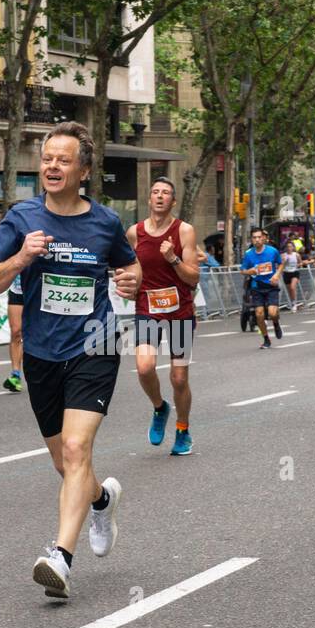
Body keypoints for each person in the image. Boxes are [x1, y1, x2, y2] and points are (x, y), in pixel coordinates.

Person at [0, 121, 140, 600]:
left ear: (84, 170)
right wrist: (20, 260)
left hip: (96, 342)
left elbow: (127, 264)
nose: (51, 166)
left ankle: (60, 558)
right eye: (47, 158)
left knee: (76, 449)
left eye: (63, 160)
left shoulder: (105, 222)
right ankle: (102, 500)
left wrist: (129, 281)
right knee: (64, 462)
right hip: (42, 351)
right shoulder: (22, 219)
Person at [127, 176, 198, 456]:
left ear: (173, 201)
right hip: (147, 308)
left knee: (179, 378)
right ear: (149, 199)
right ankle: (160, 407)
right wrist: (128, 283)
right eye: (155, 192)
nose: (159, 196)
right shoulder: (135, 232)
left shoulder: (184, 231)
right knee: (144, 367)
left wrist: (173, 258)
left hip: (180, 311)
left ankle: (182, 429)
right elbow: (129, 268)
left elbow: (194, 277)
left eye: (165, 193)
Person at [240, 227, 284, 348]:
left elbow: (280, 264)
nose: (257, 240)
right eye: (254, 238)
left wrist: (276, 275)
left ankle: (276, 323)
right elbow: (242, 271)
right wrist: (250, 271)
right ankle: (266, 339)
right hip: (257, 287)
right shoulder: (248, 254)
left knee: (272, 313)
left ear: (263, 238)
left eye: (259, 237)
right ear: (251, 239)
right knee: (259, 314)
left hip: (271, 286)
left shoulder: (272, 251)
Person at [281, 239, 303, 311]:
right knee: (289, 290)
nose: (289, 248)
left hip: (294, 272)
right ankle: (291, 302)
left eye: (290, 246)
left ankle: (294, 303)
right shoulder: (283, 255)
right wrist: (284, 262)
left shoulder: (296, 255)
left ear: (293, 247)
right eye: (288, 247)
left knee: (292, 287)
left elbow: (301, 263)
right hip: (286, 273)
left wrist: (298, 265)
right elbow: (280, 265)